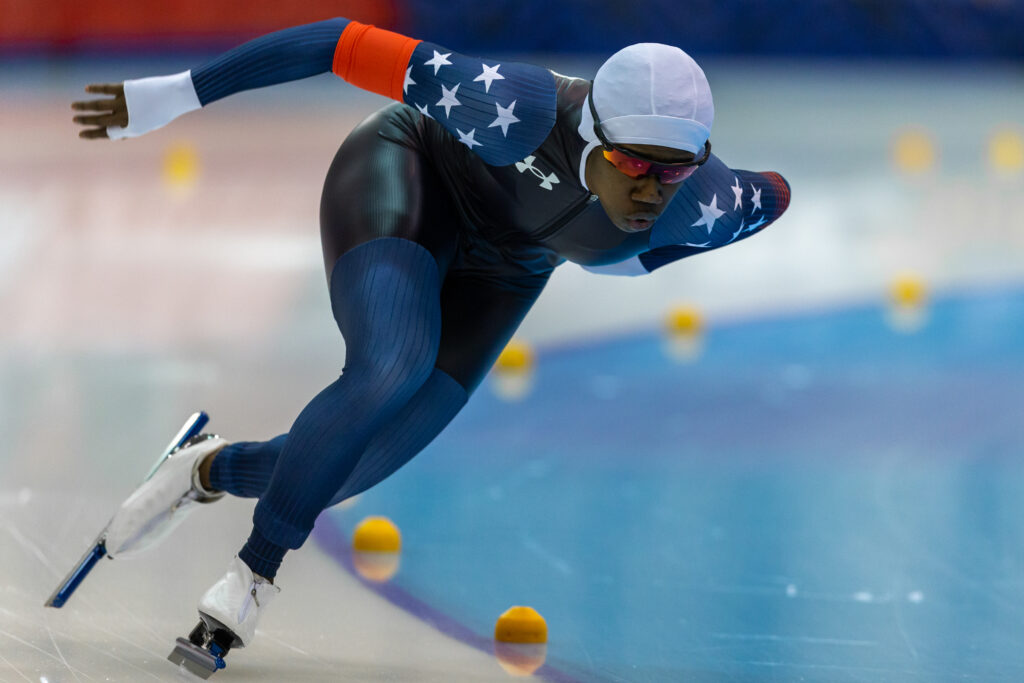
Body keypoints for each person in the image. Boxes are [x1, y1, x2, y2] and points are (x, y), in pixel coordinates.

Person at [72, 16, 791, 663]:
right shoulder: (518, 108)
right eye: (634, 163)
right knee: (392, 364)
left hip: (508, 271)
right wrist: (169, 96)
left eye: (673, 170)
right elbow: (337, 43)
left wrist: (640, 256)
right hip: (409, 177)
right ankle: (251, 576)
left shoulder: (708, 204)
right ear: (593, 136)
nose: (652, 189)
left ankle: (207, 469)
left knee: (353, 467)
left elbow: (777, 193)